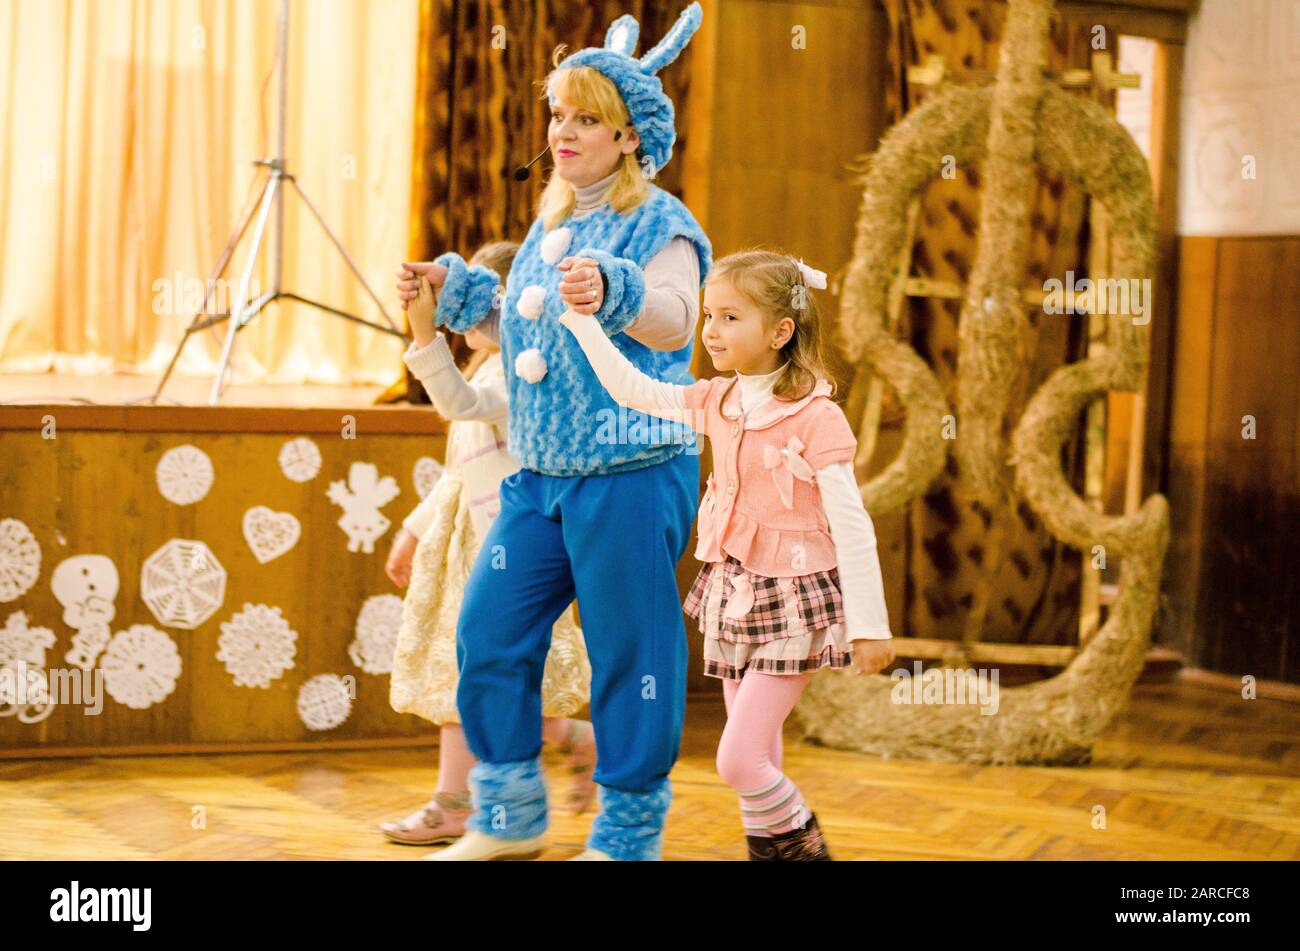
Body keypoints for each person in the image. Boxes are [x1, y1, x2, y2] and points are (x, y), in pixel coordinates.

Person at [393, 5, 712, 860]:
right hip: (541, 474)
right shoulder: (551, 218)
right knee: (488, 631)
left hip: (634, 471)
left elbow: (678, 319)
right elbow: (528, 336)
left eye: (585, 118)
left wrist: (618, 291)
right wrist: (457, 297)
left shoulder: (663, 224)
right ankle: (507, 815)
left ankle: (626, 836)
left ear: (630, 137)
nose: (562, 131)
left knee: (629, 653)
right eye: (558, 114)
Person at [559, 248, 897, 860]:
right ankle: (768, 853)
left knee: (738, 760)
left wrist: (870, 627)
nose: (710, 331)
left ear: (780, 331)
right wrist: (584, 322)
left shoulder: (817, 418)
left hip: (795, 601)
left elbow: (853, 526)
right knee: (762, 752)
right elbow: (632, 389)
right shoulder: (717, 400)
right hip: (735, 593)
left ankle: (804, 846)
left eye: (729, 318)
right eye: (708, 316)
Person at [380, 241, 595, 849]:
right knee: (476, 677)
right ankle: (571, 740)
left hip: (505, 558)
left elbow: (455, 404)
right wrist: (414, 529)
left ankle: (455, 803)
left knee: (480, 675)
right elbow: (457, 473)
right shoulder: (487, 368)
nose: (460, 313)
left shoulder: (522, 374)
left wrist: (423, 332)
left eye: (470, 301)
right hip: (464, 554)